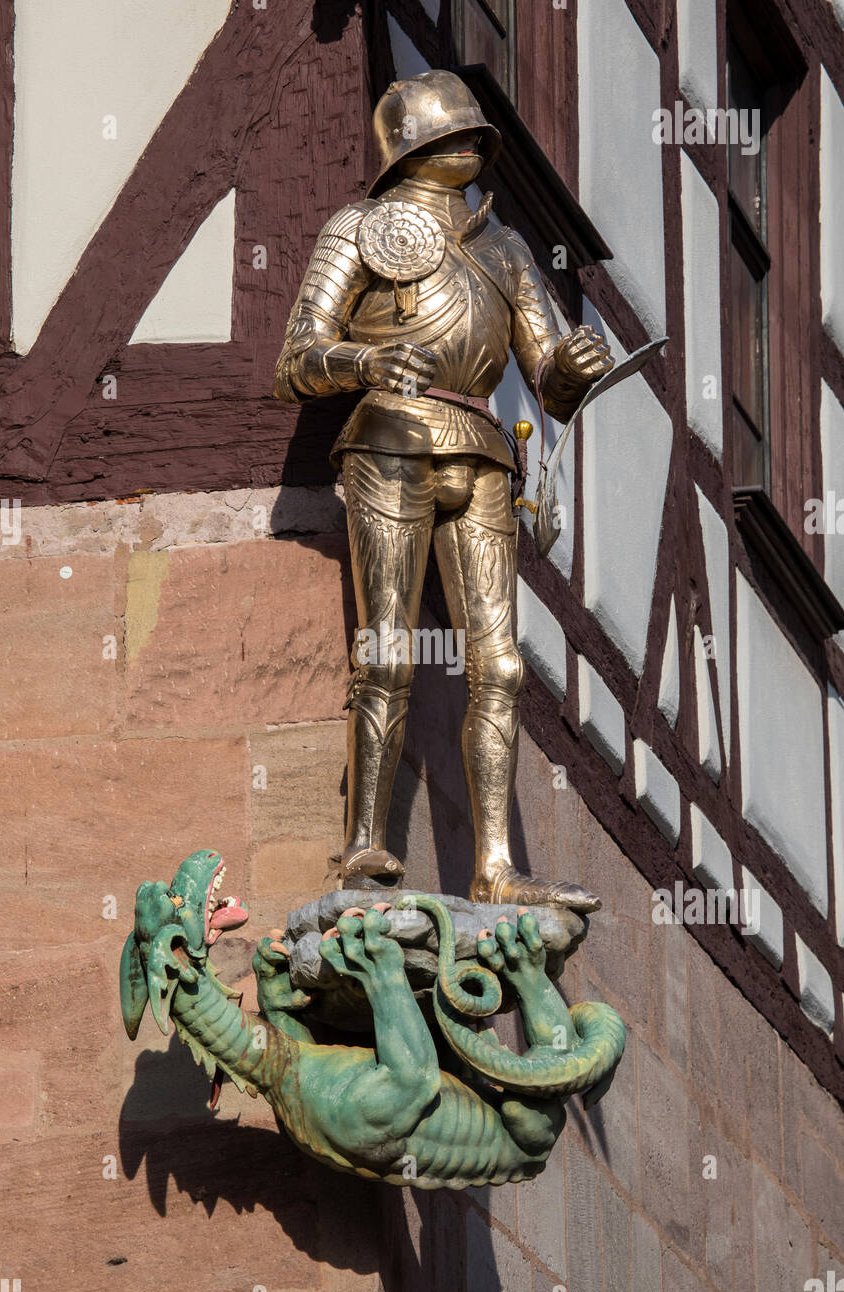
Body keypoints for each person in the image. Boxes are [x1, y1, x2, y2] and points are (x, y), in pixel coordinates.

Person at [274, 70, 613, 912]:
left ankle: (495, 863)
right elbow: (295, 359)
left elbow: (545, 376)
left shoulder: (506, 249)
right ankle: (365, 845)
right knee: (388, 648)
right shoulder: (357, 228)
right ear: (410, 147)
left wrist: (572, 367)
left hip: (486, 452)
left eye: (473, 136)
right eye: (449, 135)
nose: (470, 144)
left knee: (499, 665)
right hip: (389, 436)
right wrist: (361, 361)